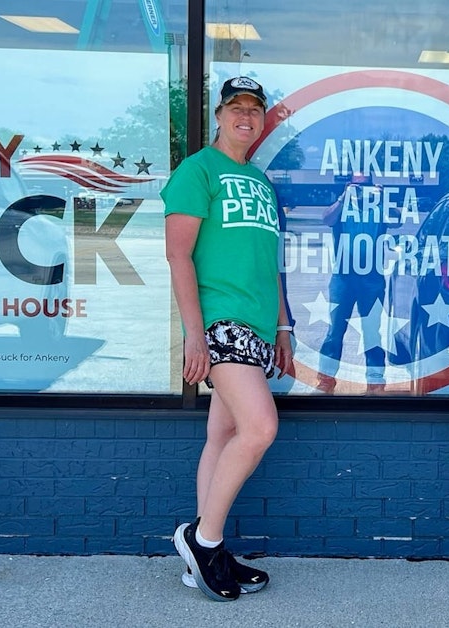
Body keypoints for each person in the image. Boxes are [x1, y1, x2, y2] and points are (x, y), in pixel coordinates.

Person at [163, 76, 294, 602]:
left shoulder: (260, 181)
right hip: (221, 321)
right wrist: (194, 334)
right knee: (260, 428)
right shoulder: (196, 171)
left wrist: (282, 327)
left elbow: (270, 266)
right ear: (218, 115)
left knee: (223, 436)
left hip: (259, 326)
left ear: (263, 120)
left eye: (254, 110)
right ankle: (203, 539)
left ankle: (206, 556)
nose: (246, 116)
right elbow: (178, 257)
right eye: (236, 107)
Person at [316, 172, 391, 393]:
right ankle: (326, 380)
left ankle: (375, 381)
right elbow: (326, 219)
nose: (361, 191)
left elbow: (397, 220)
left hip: (372, 277)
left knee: (371, 330)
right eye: (356, 186)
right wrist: (343, 198)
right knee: (335, 329)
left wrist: (383, 197)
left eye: (365, 186)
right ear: (348, 186)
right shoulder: (342, 207)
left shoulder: (378, 207)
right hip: (343, 277)